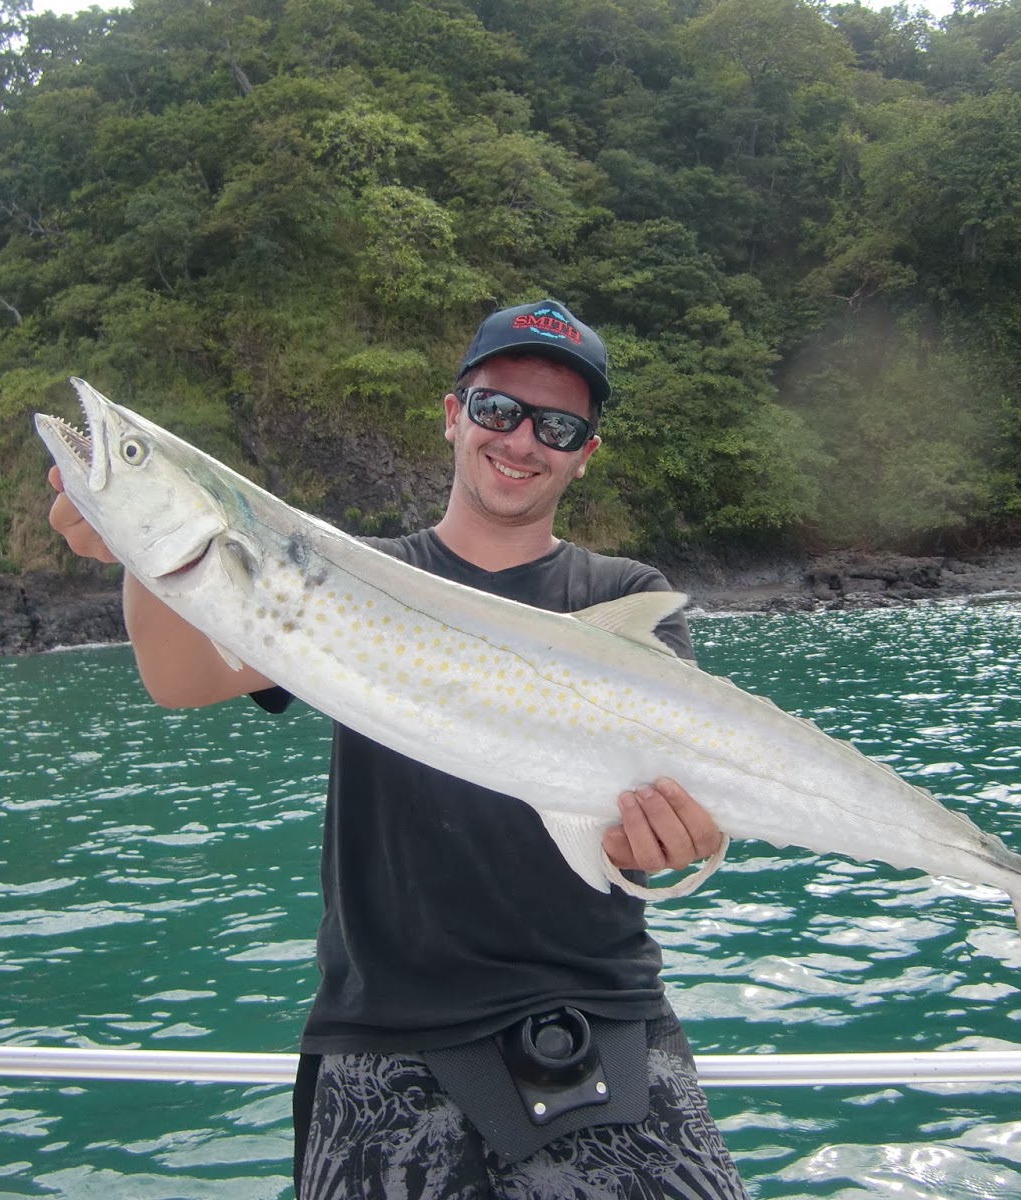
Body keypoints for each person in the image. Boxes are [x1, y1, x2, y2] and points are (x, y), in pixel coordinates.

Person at [48, 298, 746, 1198]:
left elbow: (655, 821)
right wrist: (135, 553)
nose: (523, 440)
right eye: (499, 410)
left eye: (559, 426)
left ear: (584, 453)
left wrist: (663, 842)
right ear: (455, 415)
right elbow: (180, 680)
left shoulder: (622, 597)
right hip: (379, 1035)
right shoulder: (336, 578)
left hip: (600, 1020)